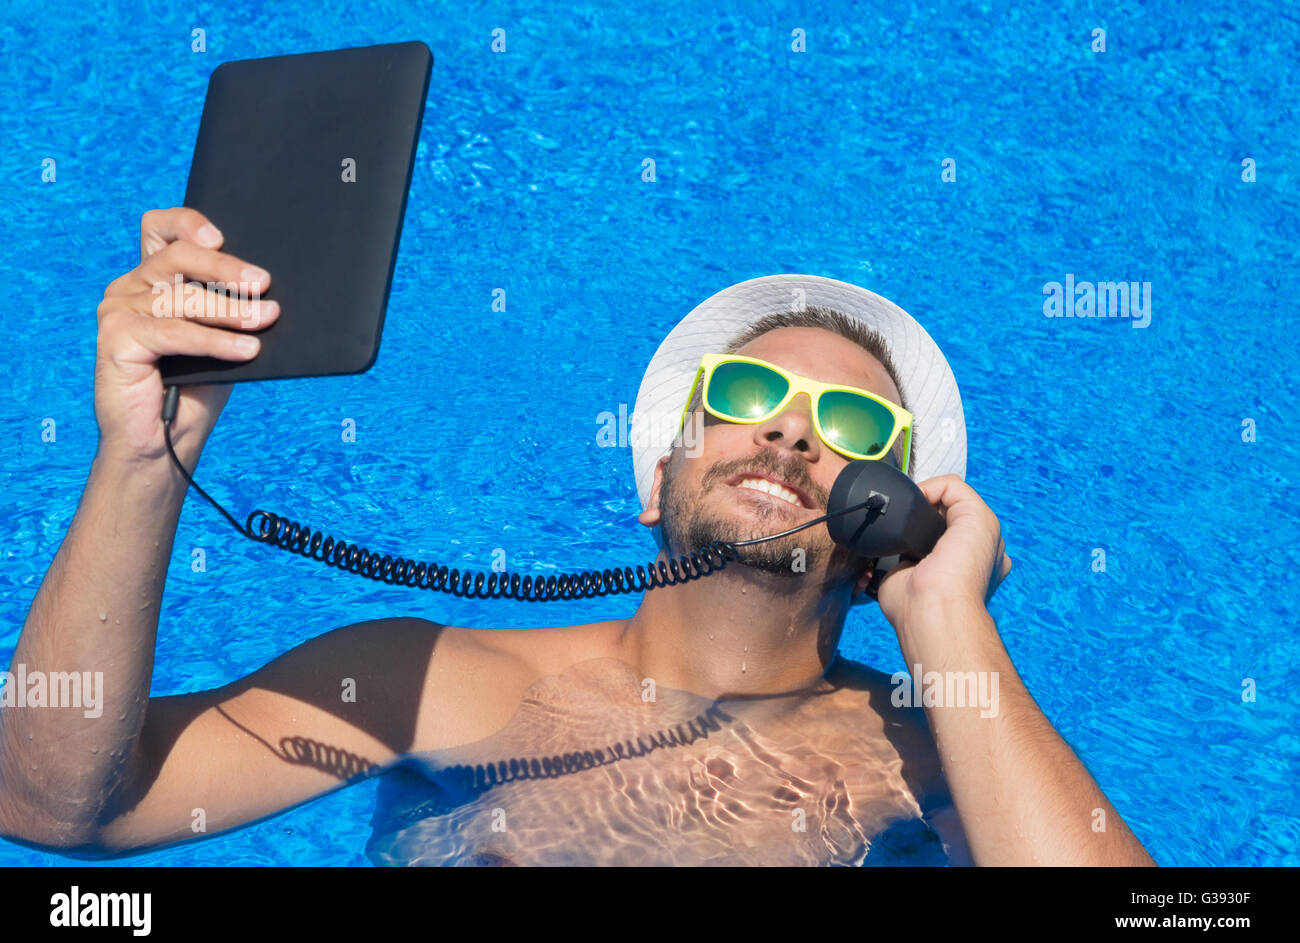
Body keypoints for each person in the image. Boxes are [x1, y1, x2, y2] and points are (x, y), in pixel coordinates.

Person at [0, 207, 1155, 866]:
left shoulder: (934, 757)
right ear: (657, 474)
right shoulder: (430, 680)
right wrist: (144, 458)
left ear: (884, 523)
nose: (792, 430)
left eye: (854, 428)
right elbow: (52, 805)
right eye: (746, 393)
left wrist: (946, 624)